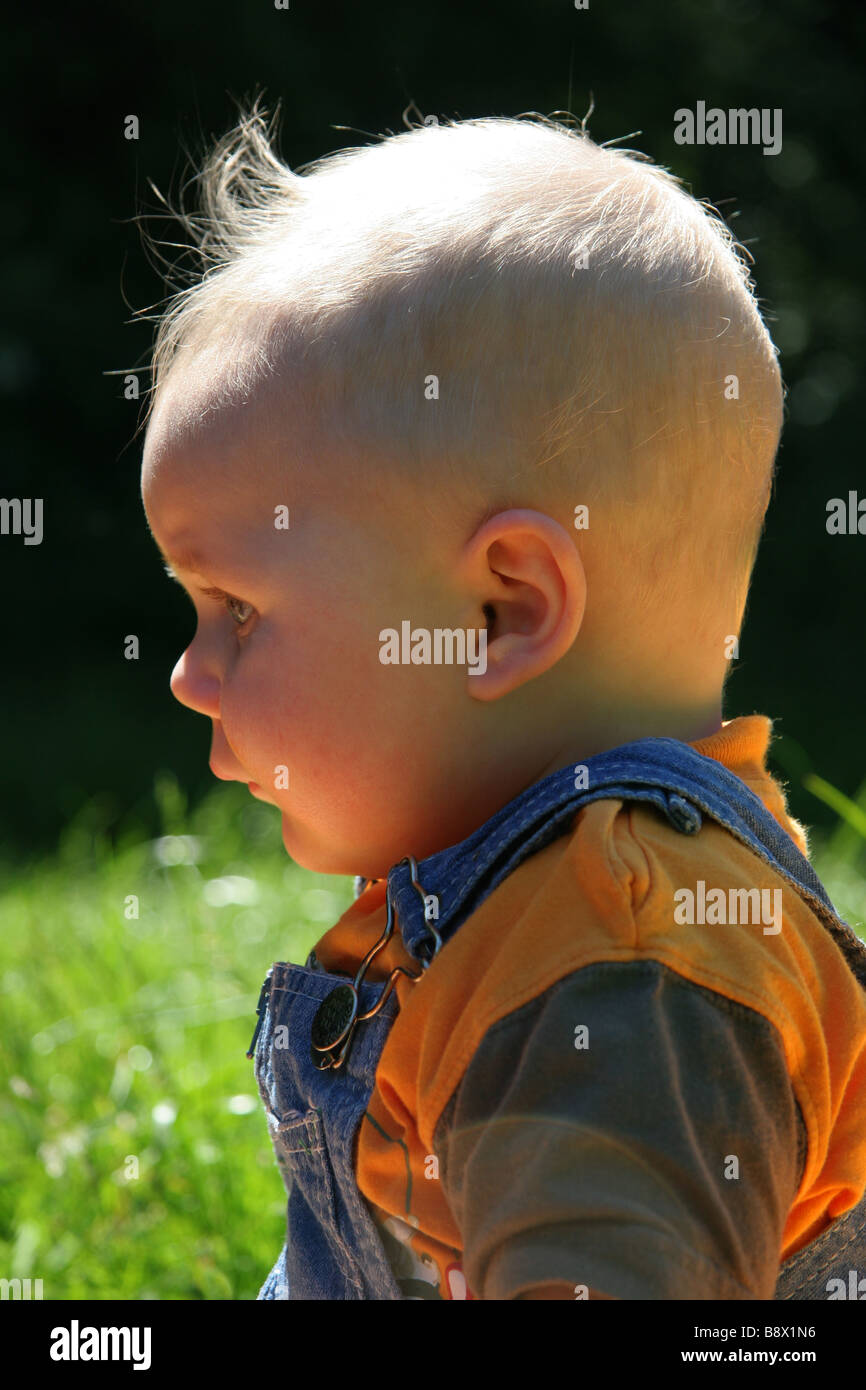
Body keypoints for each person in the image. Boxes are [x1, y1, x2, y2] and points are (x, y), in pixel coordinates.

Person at [140, 107, 866, 1299]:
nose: (187, 673)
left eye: (240, 611)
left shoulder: (622, 976)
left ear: (502, 612)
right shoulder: (533, 907)